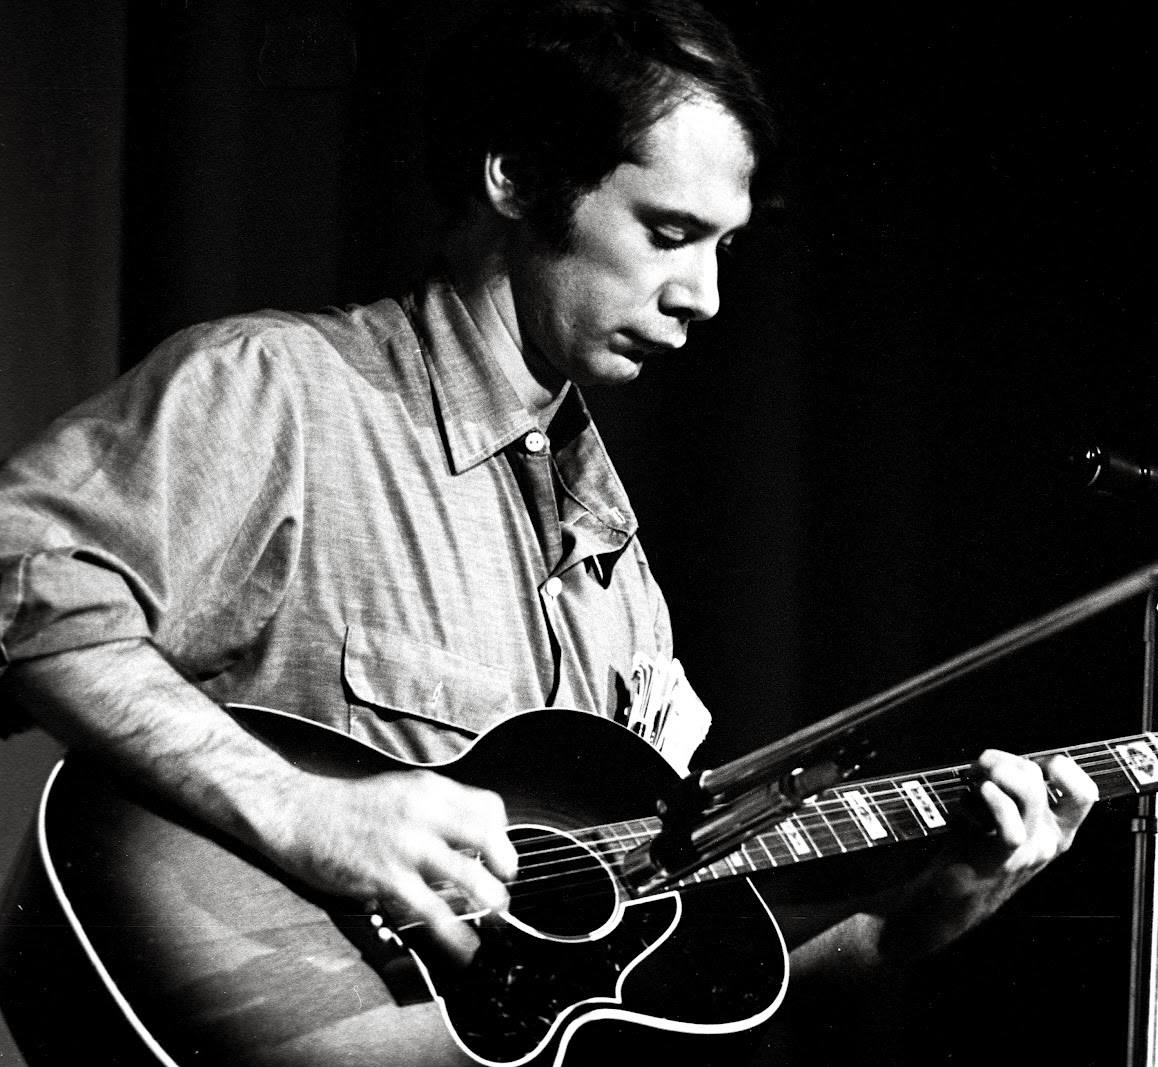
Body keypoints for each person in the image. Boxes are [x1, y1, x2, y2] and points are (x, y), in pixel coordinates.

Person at [0, 0, 1095, 1058]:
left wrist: (914, 915)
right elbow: (23, 580)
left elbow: (650, 946)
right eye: (669, 233)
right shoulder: (280, 393)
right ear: (515, 177)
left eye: (724, 247)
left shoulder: (614, 567)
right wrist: (301, 810)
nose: (706, 295)